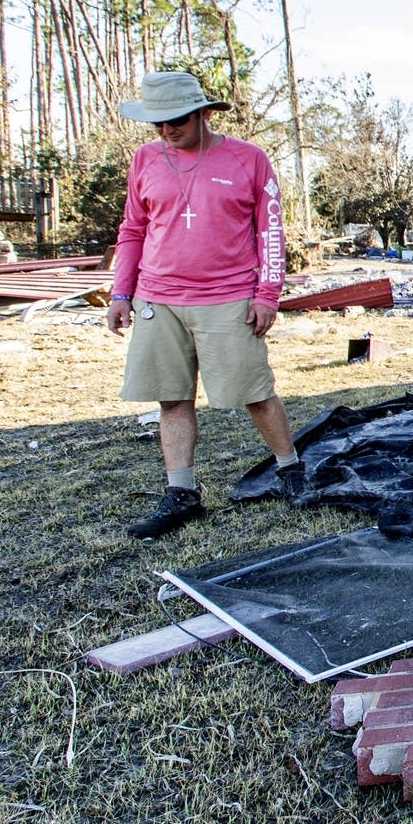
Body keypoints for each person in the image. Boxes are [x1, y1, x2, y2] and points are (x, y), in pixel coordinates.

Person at [107, 71, 305, 538]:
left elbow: (270, 232)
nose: (165, 131)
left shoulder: (248, 159)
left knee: (253, 392)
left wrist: (267, 294)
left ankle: (291, 471)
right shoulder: (146, 159)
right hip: (159, 298)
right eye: (156, 123)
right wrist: (121, 292)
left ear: (202, 113)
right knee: (172, 397)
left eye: (175, 120)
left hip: (229, 297)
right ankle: (181, 493)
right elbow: (133, 229)